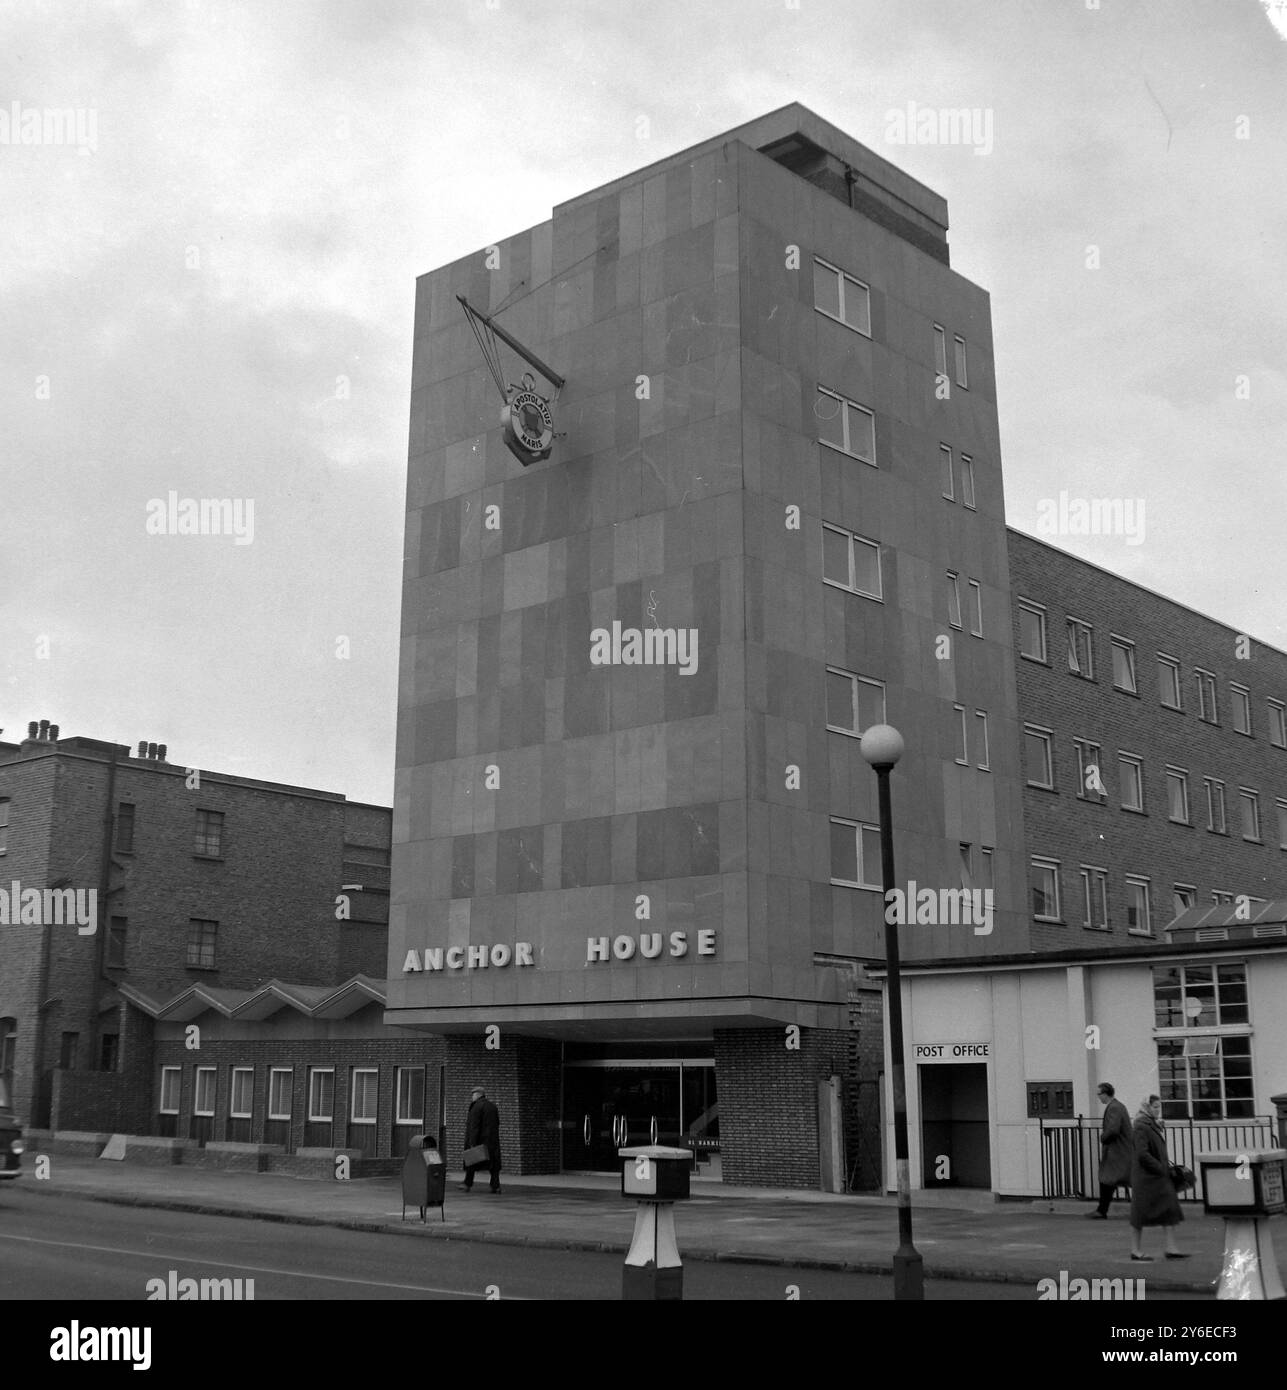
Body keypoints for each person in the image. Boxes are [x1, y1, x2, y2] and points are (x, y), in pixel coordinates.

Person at [1128, 1094, 1187, 1261]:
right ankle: (1136, 1250)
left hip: (1156, 1176)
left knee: (1169, 1208)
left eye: (1159, 1107)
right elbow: (1142, 1153)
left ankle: (1171, 1247)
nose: (1157, 1110)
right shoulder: (1141, 1125)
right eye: (1155, 1107)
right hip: (1147, 1177)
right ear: (1147, 1107)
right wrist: (1161, 1168)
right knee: (1139, 1213)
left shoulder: (1148, 1123)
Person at [1087, 1082, 1132, 1218]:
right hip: (1120, 1151)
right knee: (1109, 1180)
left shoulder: (1114, 1108)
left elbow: (1113, 1129)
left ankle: (1101, 1211)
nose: (1098, 1097)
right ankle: (1101, 1210)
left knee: (1107, 1179)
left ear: (1105, 1094)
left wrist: (1103, 1137)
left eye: (1099, 1094)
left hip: (1117, 1152)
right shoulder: (1117, 1106)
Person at [462, 1085, 502, 1194]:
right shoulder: (492, 1106)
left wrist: (472, 1143)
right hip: (492, 1142)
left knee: (471, 1161)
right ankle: (495, 1186)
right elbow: (497, 1123)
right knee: (493, 1165)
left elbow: (474, 1126)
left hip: (479, 1141)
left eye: (473, 1095)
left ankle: (467, 1184)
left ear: (478, 1095)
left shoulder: (476, 1107)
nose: (472, 1097)